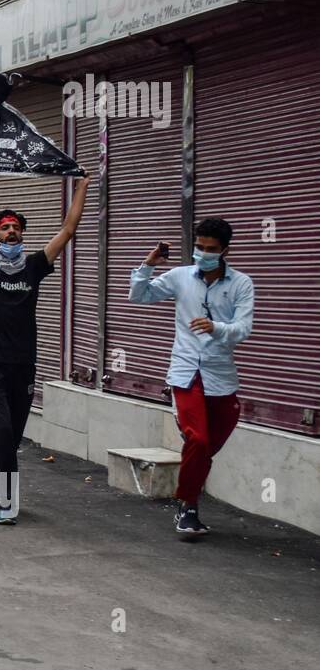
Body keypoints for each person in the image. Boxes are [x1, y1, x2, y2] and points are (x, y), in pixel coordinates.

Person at [0, 155, 90, 524]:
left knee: (13, 435)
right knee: (3, 430)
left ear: (22, 234)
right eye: (5, 228)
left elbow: (69, 229)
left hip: (23, 364)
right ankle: (8, 499)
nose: (11, 232)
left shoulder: (35, 266)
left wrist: (82, 184)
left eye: (16, 228)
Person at [129, 219, 254, 538]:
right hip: (185, 374)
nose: (203, 253)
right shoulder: (180, 276)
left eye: (211, 249)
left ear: (225, 250)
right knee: (197, 439)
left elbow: (243, 329)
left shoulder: (241, 284)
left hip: (222, 378)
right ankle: (188, 506)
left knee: (206, 447)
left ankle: (189, 501)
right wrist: (148, 264)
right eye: (199, 247)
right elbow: (139, 296)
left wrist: (217, 328)